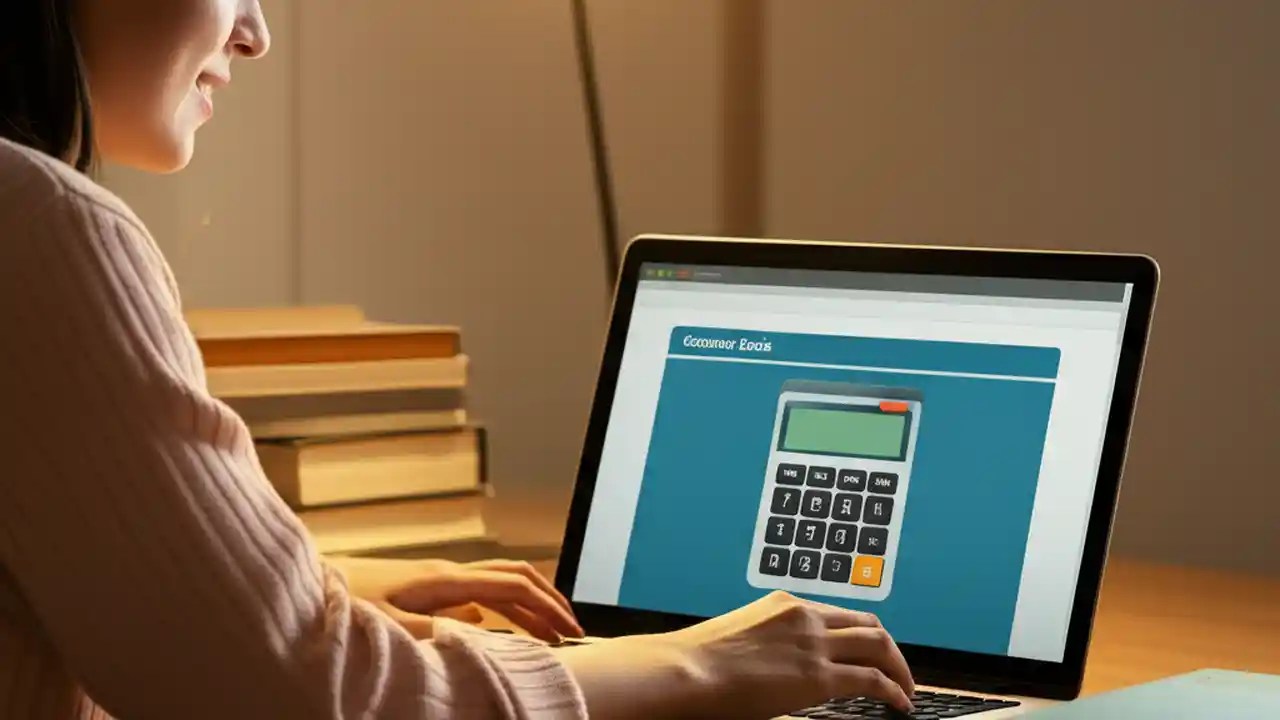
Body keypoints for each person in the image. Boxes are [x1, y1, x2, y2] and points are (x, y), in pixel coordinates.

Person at [0, 1, 916, 718]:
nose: (257, 35)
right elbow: (315, 699)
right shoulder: (38, 228)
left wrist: (315, 585)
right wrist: (696, 661)